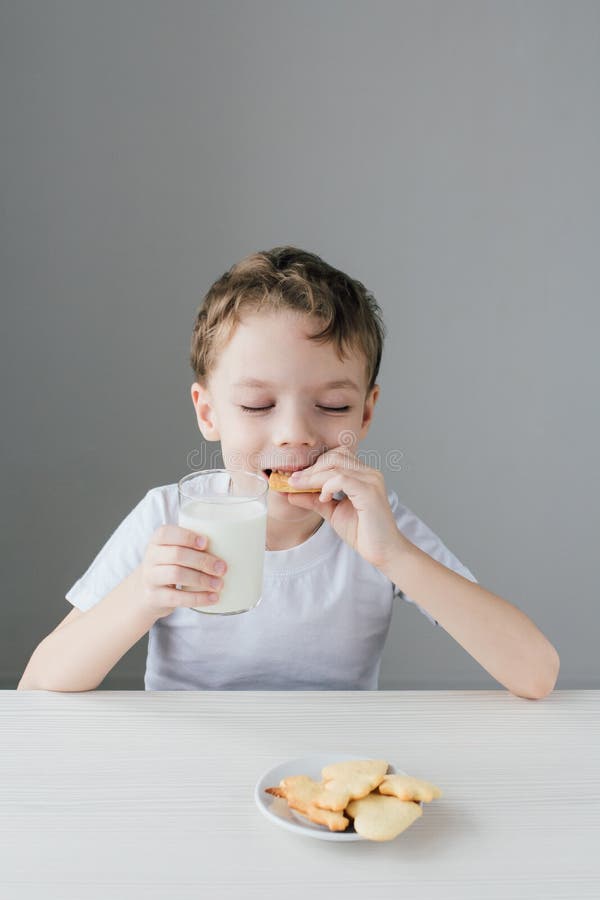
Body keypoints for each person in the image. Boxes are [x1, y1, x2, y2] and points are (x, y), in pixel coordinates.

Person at [18, 246, 560, 697]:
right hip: (188, 777)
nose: (294, 435)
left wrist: (392, 554)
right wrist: (141, 595)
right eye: (257, 406)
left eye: (332, 406)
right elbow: (37, 686)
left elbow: (536, 673)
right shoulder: (169, 516)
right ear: (208, 413)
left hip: (326, 778)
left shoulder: (375, 523)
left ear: (366, 413)